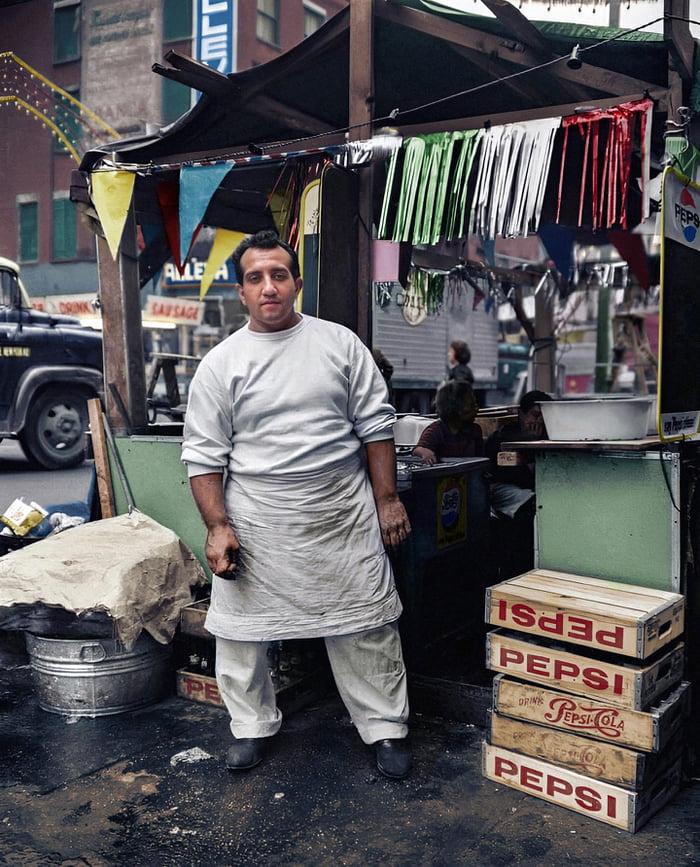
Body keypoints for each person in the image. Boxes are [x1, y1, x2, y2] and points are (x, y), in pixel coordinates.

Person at [181, 229, 413, 780]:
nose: (269, 287)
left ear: (297, 283)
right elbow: (204, 455)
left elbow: (376, 426)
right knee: (241, 634)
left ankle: (385, 728)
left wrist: (387, 499)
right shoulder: (221, 364)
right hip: (259, 519)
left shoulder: (339, 344)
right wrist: (217, 526)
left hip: (342, 513)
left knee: (364, 623)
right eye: (256, 277)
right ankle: (250, 727)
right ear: (241, 292)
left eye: (278, 275)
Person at [485, 389, 551, 579]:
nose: (538, 421)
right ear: (521, 414)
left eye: (543, 417)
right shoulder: (505, 435)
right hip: (502, 490)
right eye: (535, 415)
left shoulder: (550, 434)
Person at [412, 380, 483, 465]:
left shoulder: (475, 430)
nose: (476, 409)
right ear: (454, 409)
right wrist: (424, 452)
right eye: (471, 406)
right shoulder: (436, 431)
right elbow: (418, 449)